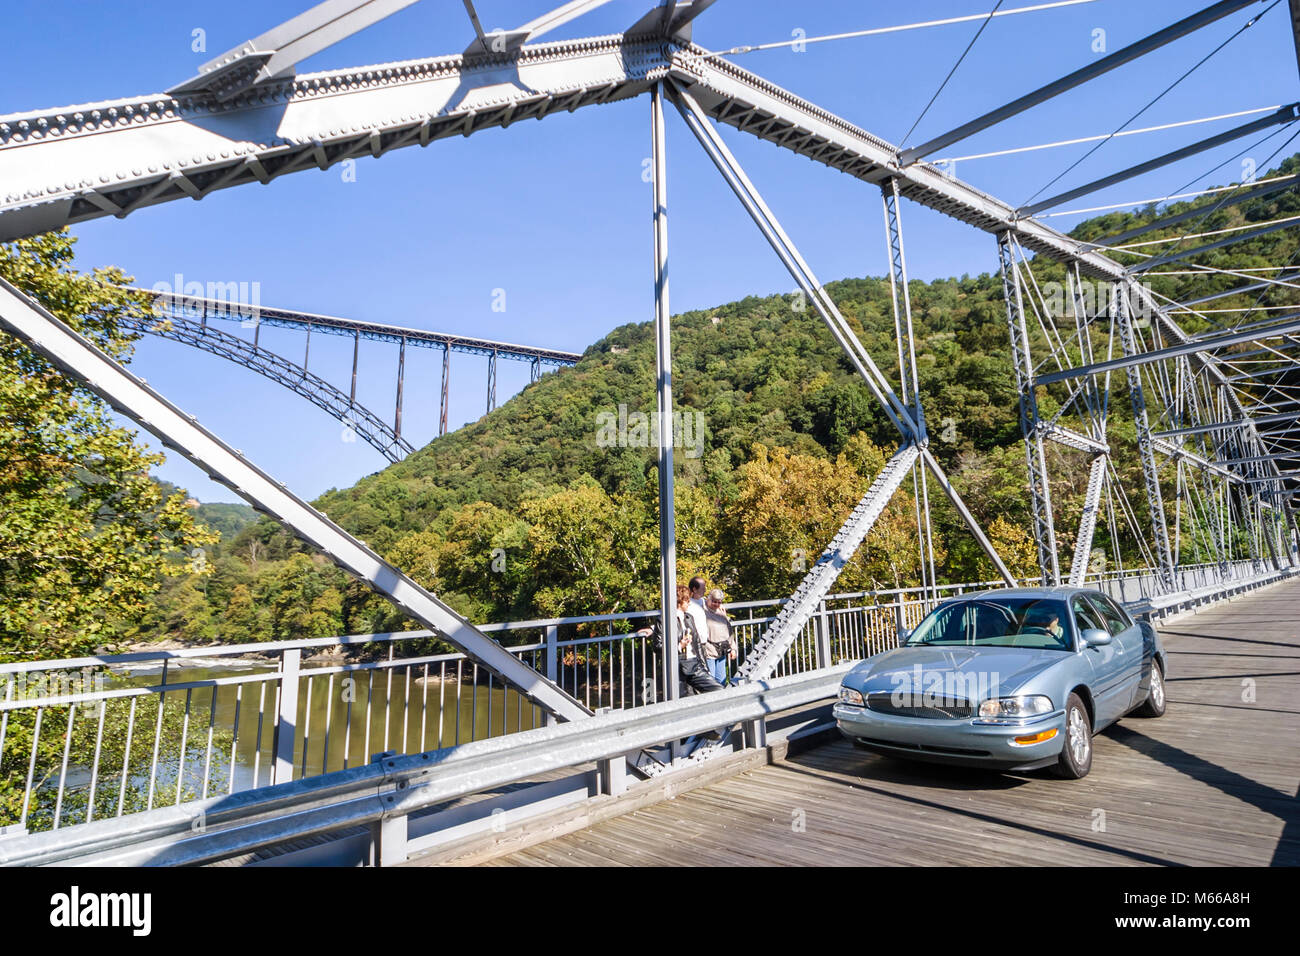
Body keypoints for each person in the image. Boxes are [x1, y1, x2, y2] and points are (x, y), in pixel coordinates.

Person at [635, 584, 720, 696]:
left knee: (718, 690)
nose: (689, 603)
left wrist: (705, 668)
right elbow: (657, 646)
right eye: (687, 601)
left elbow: (697, 644)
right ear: (679, 602)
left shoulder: (689, 617)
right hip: (677, 668)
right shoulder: (664, 620)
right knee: (683, 702)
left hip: (694, 665)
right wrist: (679, 646)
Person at [702, 588, 737, 686]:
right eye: (714, 601)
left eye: (719, 602)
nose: (716, 604)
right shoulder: (702, 610)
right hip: (709, 651)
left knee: (722, 681)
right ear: (709, 599)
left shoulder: (721, 612)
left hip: (722, 650)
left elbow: (729, 631)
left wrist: (733, 648)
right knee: (711, 682)